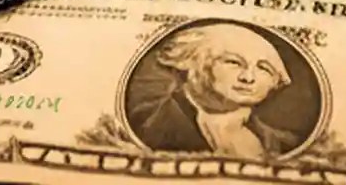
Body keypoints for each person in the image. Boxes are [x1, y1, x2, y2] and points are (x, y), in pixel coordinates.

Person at [128, 23, 301, 158]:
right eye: (233, 62)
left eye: (264, 68)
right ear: (191, 62)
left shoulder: (283, 143)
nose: (248, 78)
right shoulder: (149, 128)